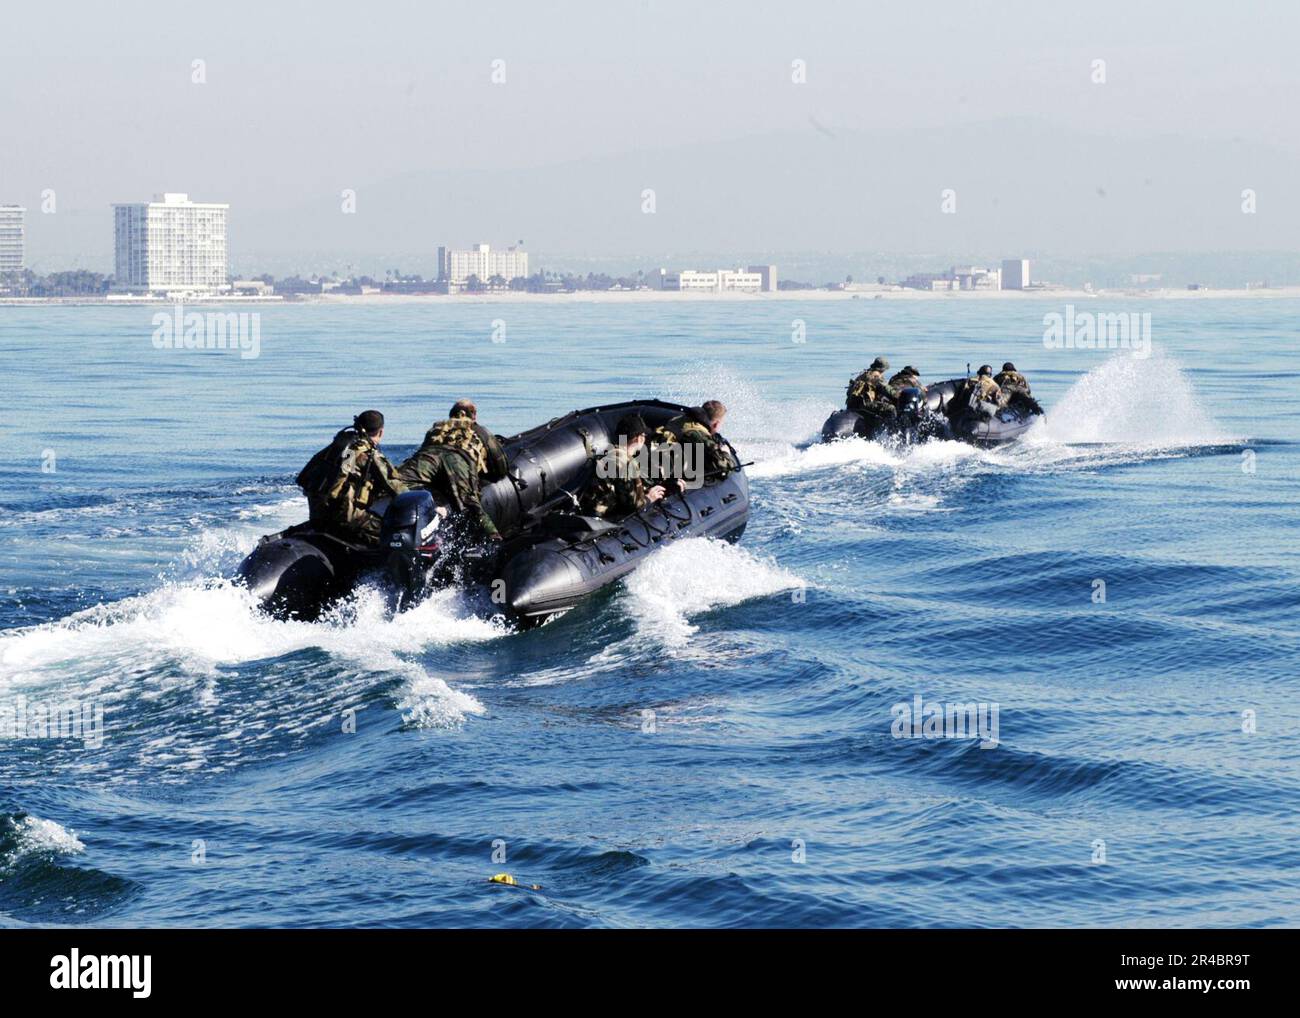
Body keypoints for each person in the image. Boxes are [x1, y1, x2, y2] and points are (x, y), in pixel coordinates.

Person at [398, 399, 509, 541]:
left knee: (397, 481)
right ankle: (493, 536)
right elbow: (501, 468)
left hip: (429, 457)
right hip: (458, 460)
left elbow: (424, 449)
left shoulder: (436, 428)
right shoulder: (480, 431)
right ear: (473, 416)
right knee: (469, 502)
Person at [297, 410, 407, 545]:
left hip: (318, 517)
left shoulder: (333, 449)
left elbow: (303, 479)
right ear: (381, 432)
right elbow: (398, 490)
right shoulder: (369, 455)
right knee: (397, 535)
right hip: (348, 522)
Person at [582, 414, 666, 519]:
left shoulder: (609, 453)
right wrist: (649, 498)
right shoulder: (626, 463)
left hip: (589, 510)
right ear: (639, 439)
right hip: (603, 516)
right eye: (644, 436)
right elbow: (634, 506)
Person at [652, 399, 734, 486]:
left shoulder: (679, 420)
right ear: (716, 424)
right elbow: (723, 469)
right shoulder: (698, 436)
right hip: (665, 472)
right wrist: (725, 453)